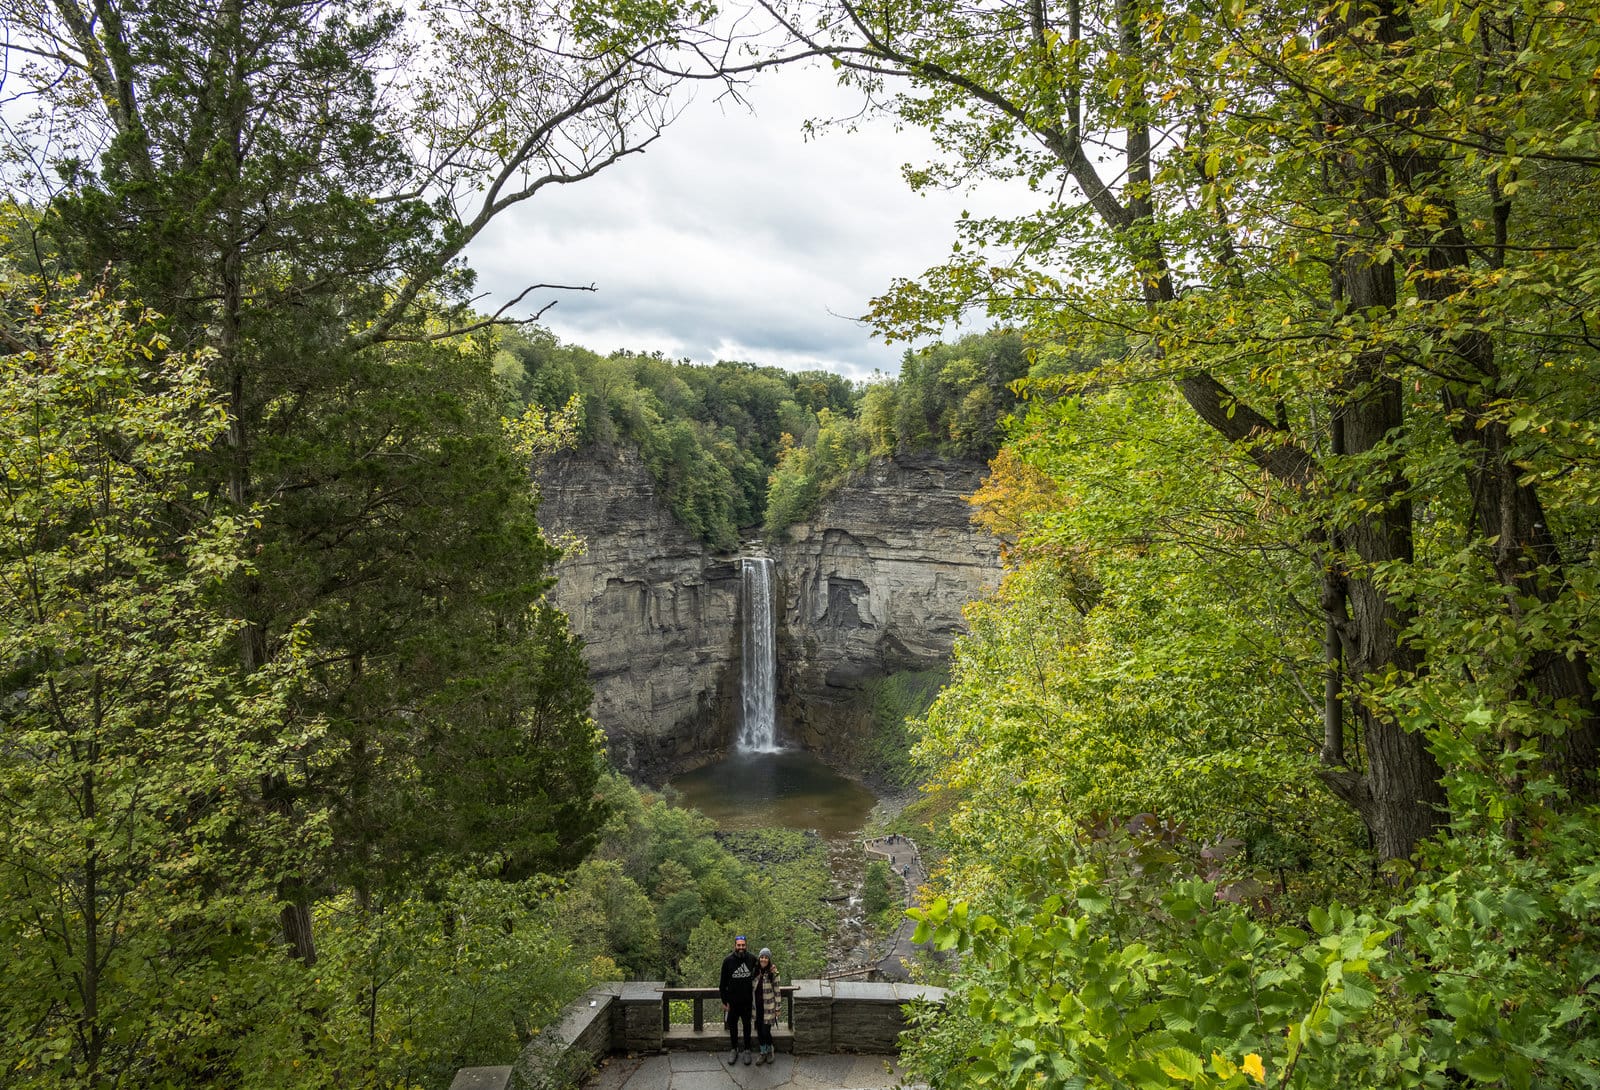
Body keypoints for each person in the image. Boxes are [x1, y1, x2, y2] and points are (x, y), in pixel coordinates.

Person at [719, 934, 758, 1065]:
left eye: (743, 945)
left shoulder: (752, 959)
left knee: (747, 1026)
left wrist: (772, 970)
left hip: (747, 1001)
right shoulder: (727, 961)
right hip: (733, 1003)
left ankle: (747, 1050)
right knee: (733, 1026)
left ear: (746, 945)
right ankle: (734, 1049)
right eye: (738, 945)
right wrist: (724, 1002)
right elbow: (722, 984)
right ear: (735, 946)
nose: (741, 947)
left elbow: (761, 969)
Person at [751, 947, 781, 1065]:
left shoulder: (773, 973)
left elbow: (777, 991)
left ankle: (770, 1050)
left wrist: (778, 1008)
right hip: (757, 1008)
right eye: (762, 957)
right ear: (759, 958)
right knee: (759, 1031)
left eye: (766, 957)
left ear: (769, 960)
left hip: (768, 1008)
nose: (763, 959)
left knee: (766, 1031)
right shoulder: (755, 972)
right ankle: (763, 1052)